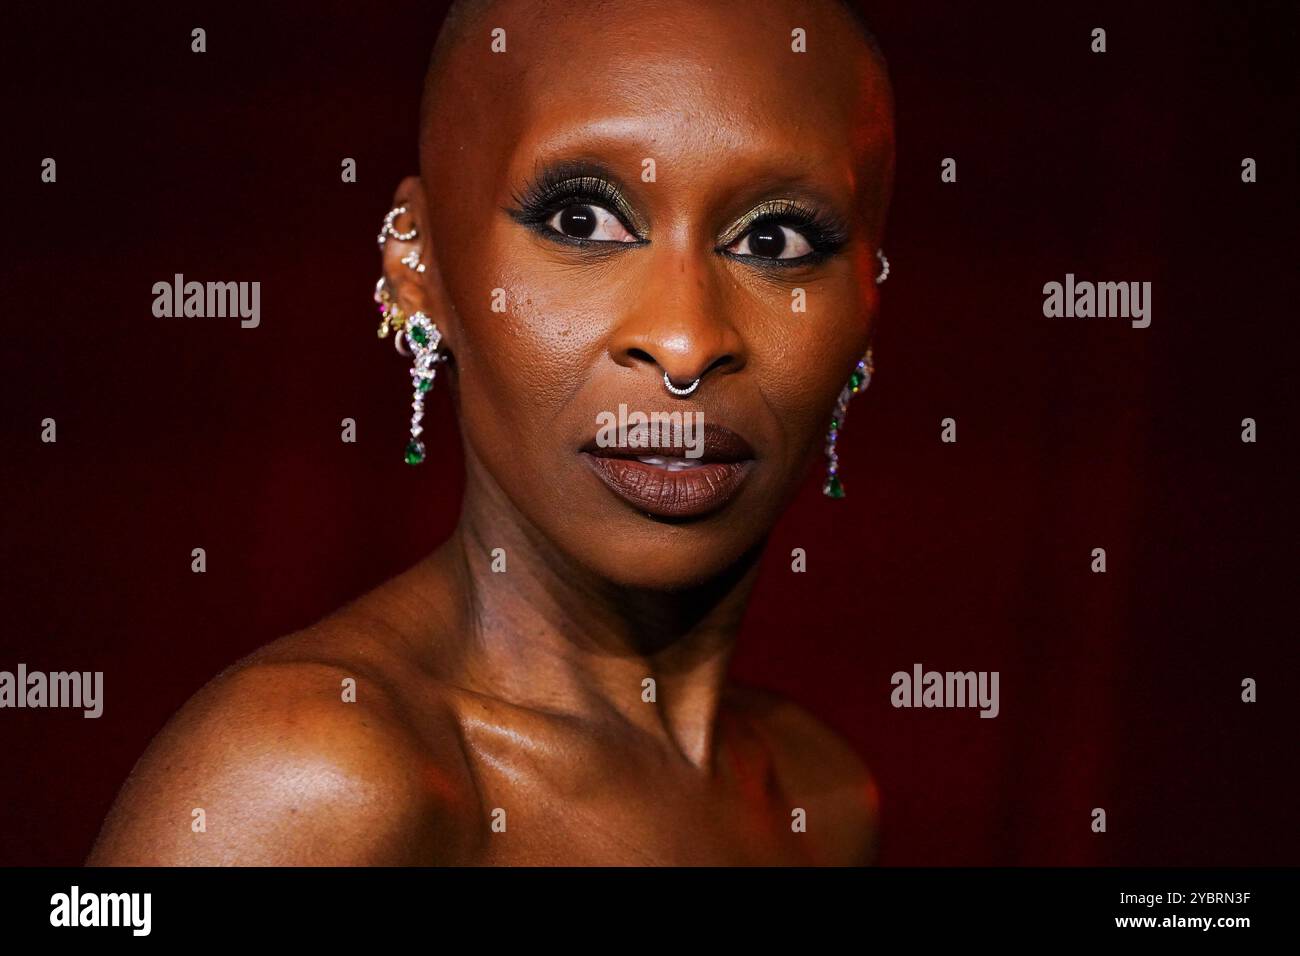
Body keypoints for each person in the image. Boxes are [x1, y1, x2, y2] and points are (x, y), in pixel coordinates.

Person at [89, 0, 895, 865]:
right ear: (417, 263)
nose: (686, 341)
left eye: (775, 239)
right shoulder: (309, 779)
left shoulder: (821, 799)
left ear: (868, 304)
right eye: (581, 220)